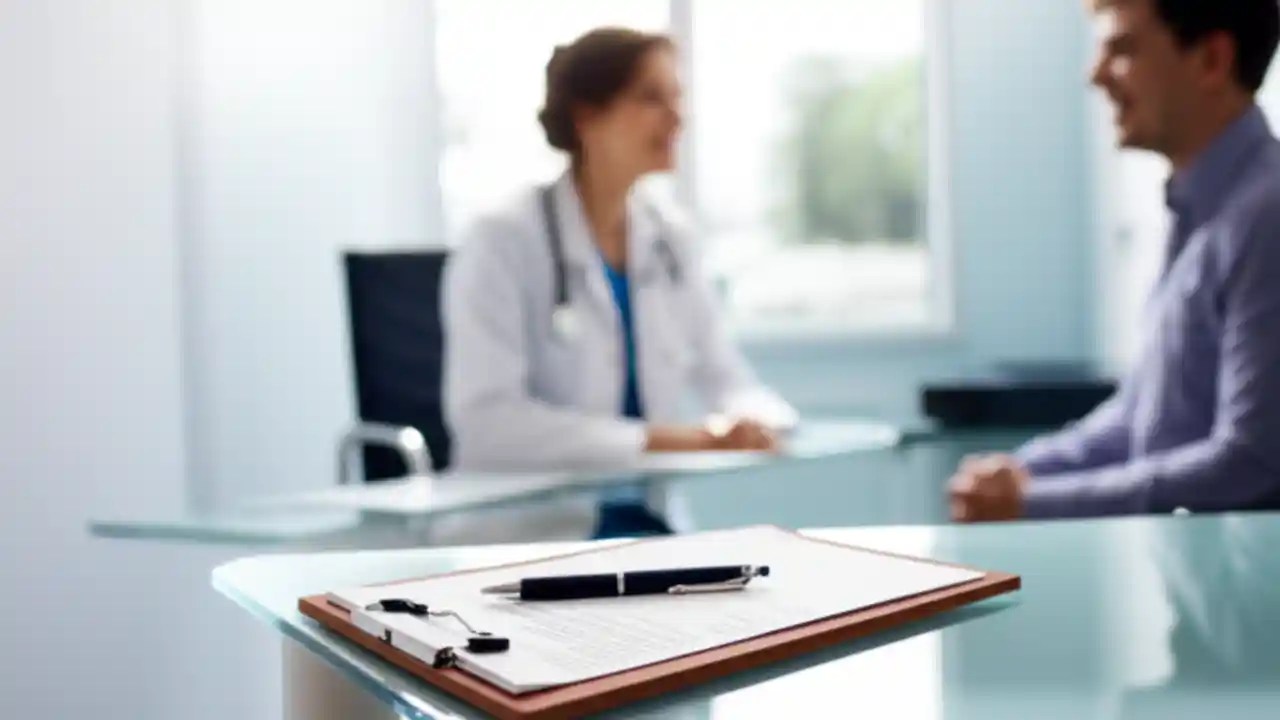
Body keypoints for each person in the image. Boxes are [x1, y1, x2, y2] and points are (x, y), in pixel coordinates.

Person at [950, 0, 1280, 522]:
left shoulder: (1266, 217)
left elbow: (1251, 462)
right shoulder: (1203, 212)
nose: (1096, 74)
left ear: (1211, 61)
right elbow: (1139, 419)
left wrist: (1030, 502)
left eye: (1122, 49)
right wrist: (1020, 471)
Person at [444, 28, 796, 474]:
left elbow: (726, 378)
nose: (677, 118)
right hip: (535, 514)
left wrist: (755, 421)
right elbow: (488, 425)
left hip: (648, 506)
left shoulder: (670, 238)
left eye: (677, 98)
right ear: (586, 114)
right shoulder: (503, 240)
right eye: (651, 98)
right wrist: (671, 441)